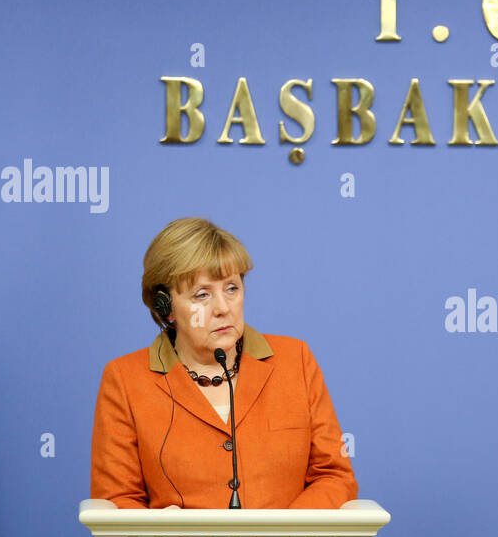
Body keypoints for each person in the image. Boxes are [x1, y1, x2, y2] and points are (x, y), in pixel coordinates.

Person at [90, 218, 357, 509]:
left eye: (231, 288)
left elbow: (334, 476)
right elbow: (117, 500)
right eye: (202, 295)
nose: (222, 308)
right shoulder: (125, 380)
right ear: (165, 307)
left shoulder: (296, 359)